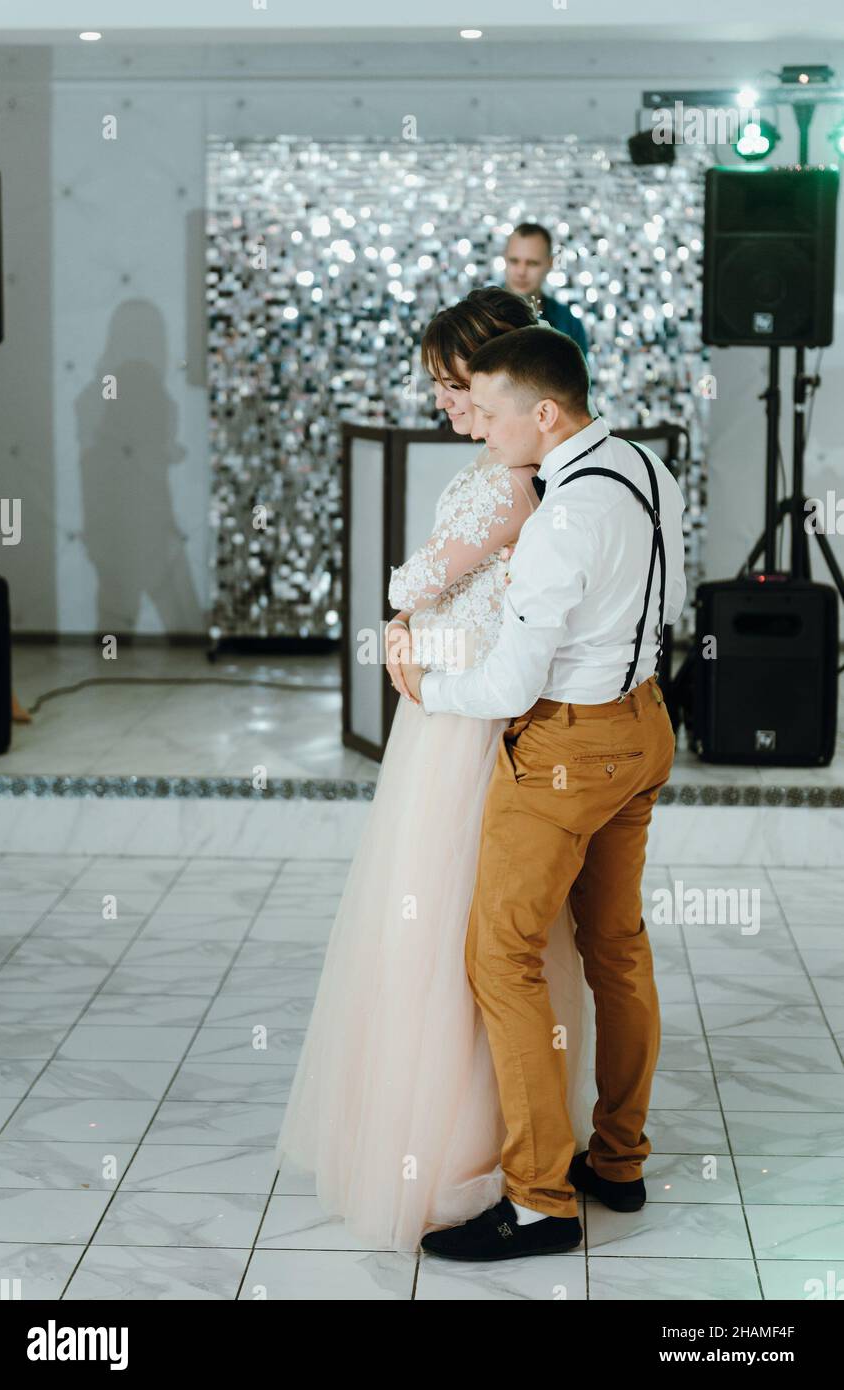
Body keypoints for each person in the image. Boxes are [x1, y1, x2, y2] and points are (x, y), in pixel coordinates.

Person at [274, 289, 596, 1253]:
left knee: (463, 931)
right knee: (454, 928)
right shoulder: (503, 466)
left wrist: (409, 607)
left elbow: (406, 580)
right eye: (443, 390)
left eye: (456, 389)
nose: (449, 407)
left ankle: (474, 1148)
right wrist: (416, 612)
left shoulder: (510, 482)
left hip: (467, 723)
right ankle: (496, 1138)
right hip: (449, 710)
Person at [399, 325, 687, 1260]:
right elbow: (665, 600)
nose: (479, 431)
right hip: (644, 727)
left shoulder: (559, 518)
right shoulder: (646, 468)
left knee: (501, 956)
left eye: (488, 413)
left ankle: (537, 1203)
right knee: (615, 946)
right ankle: (619, 1158)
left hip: (568, 747)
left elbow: (511, 689)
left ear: (544, 413)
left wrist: (425, 687)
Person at [504, 221, 589, 359]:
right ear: (505, 258)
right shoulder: (476, 313)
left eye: (532, 263)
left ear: (549, 264)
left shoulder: (568, 323)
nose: (521, 271)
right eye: (514, 261)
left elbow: (582, 379)